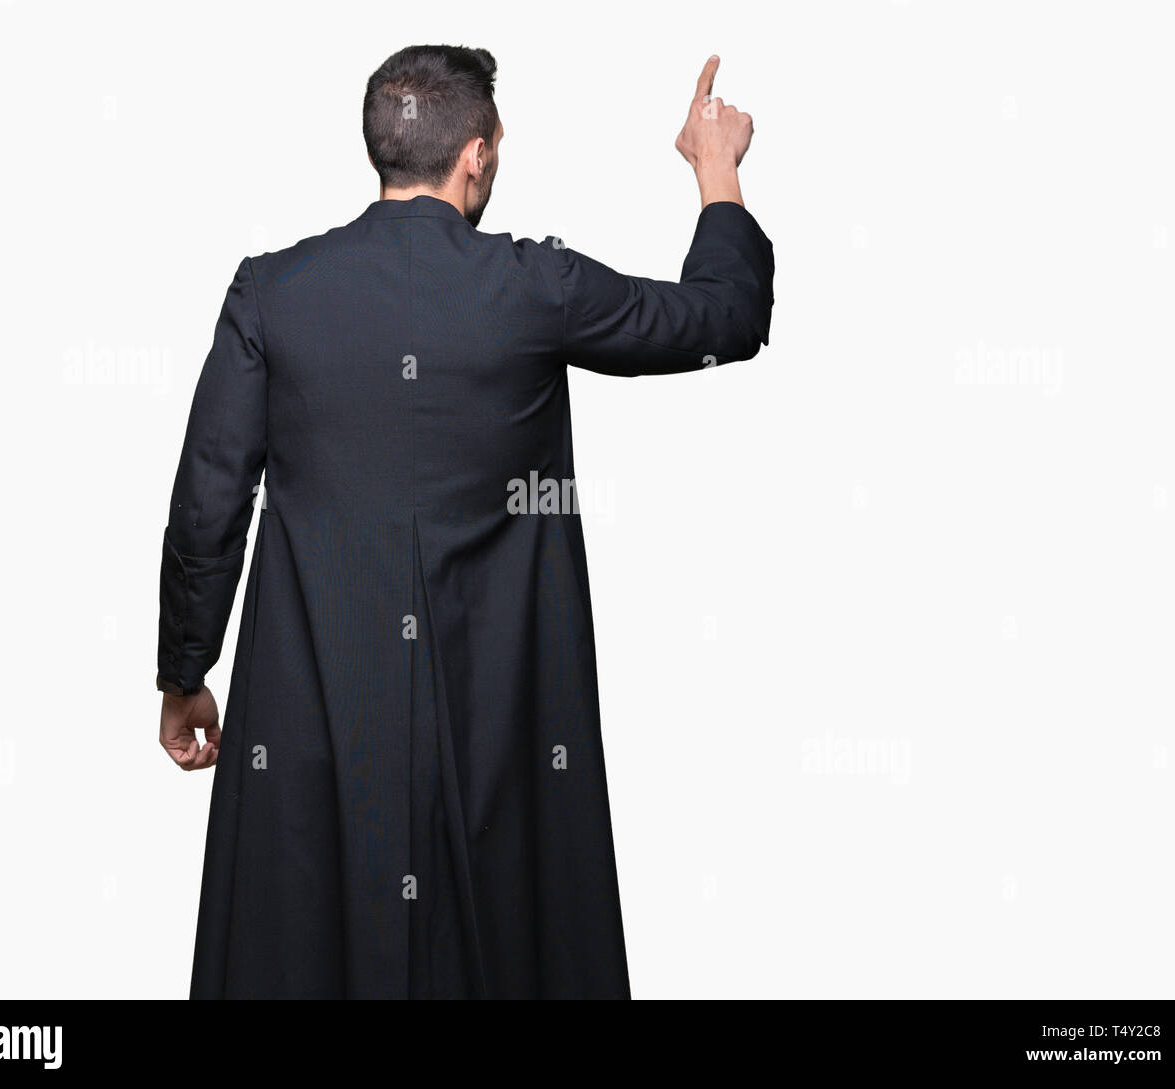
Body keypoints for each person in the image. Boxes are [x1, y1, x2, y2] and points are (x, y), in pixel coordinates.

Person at [156, 45, 774, 999]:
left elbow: (208, 498)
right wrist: (715, 169)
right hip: (496, 734)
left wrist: (185, 674)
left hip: (314, 717)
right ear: (475, 155)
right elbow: (719, 320)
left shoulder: (270, 293)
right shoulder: (538, 287)